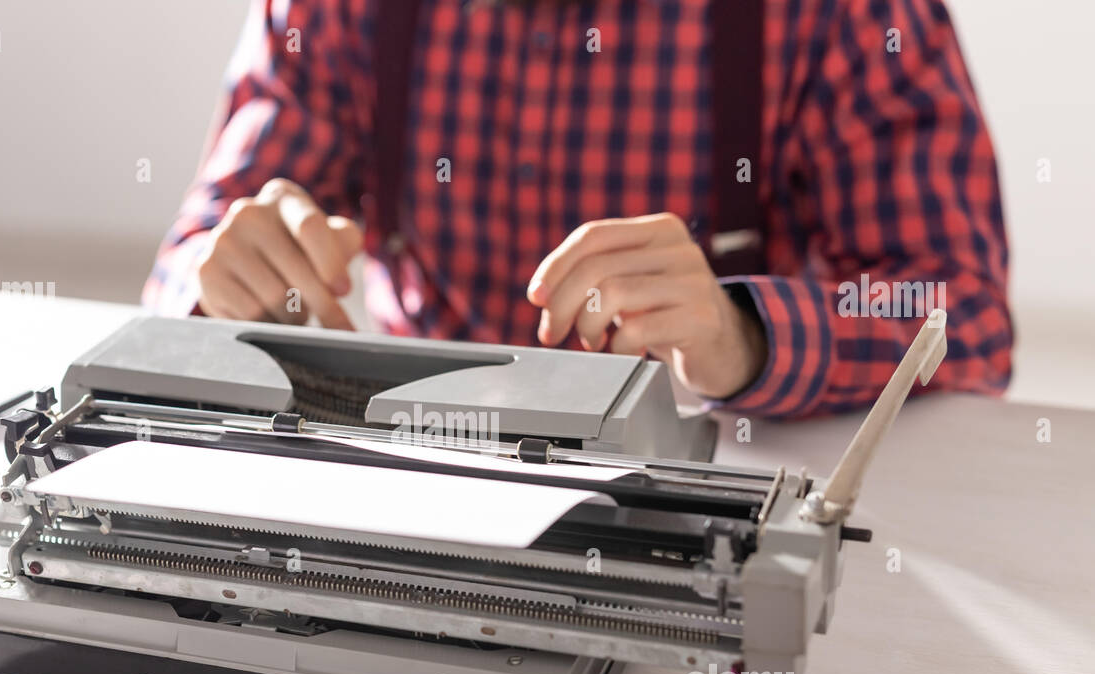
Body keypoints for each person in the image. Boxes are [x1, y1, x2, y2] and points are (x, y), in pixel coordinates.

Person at [143, 0, 1011, 418]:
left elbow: (963, 316)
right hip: (413, 456)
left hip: (712, 468)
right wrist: (225, 282)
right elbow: (197, 252)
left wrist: (743, 333)